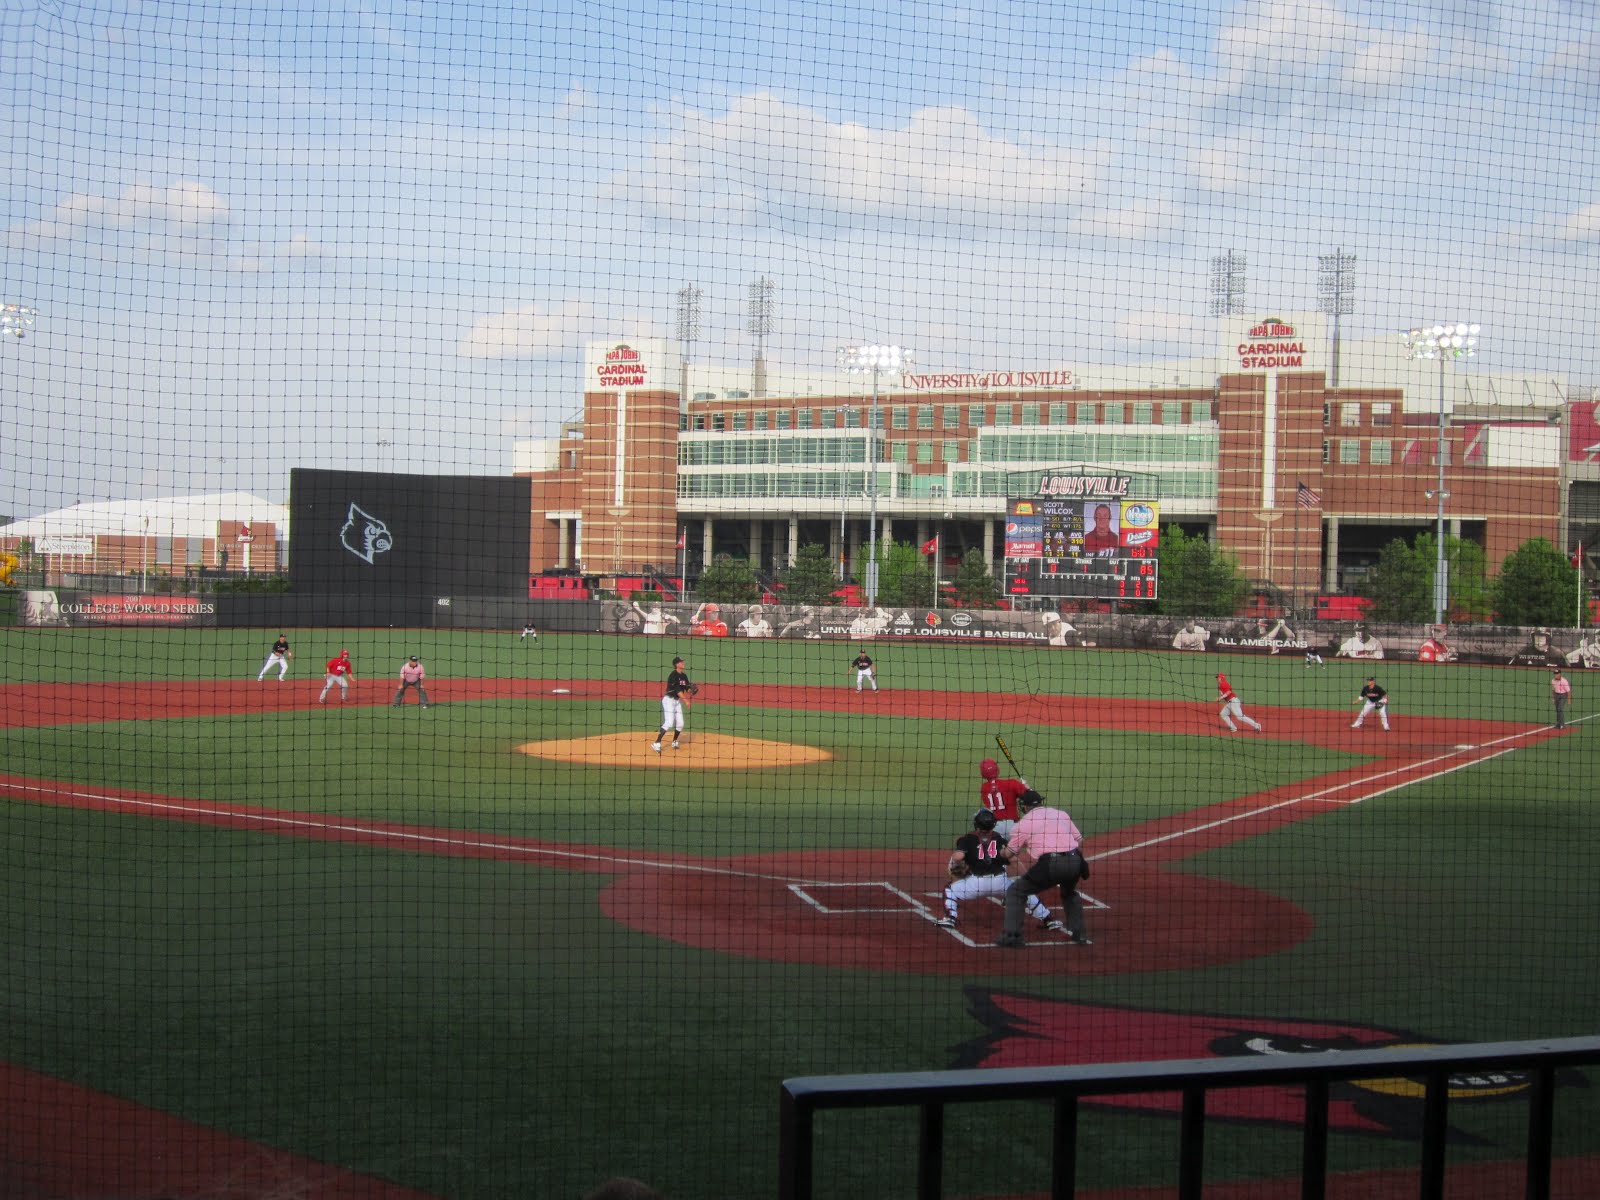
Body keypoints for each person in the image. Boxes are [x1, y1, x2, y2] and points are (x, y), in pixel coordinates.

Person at [936, 809, 1058, 933]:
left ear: (976, 823)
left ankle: (950, 918)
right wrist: (1027, 877)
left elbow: (958, 857)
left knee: (949, 889)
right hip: (1000, 883)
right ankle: (1048, 920)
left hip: (975, 884)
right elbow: (1014, 859)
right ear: (993, 824)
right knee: (1024, 891)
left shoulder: (968, 838)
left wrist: (957, 865)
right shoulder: (999, 838)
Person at [997, 790, 1090, 948]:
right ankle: (1079, 934)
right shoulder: (1060, 814)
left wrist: (1001, 852)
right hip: (1075, 861)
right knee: (1069, 893)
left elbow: (1010, 853)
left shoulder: (1024, 823)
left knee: (1016, 891)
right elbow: (1079, 841)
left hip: (1051, 864)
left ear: (1024, 807)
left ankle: (1013, 937)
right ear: (1040, 802)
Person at [651, 656, 694, 752]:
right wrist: (686, 700)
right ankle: (656, 743)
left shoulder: (684, 676)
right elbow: (678, 690)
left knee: (680, 724)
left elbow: (687, 688)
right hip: (669, 701)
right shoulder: (673, 675)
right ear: (677, 664)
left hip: (677, 701)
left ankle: (674, 741)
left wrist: (691, 690)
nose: (683, 663)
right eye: (681, 662)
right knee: (669, 722)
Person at [978, 756, 1028, 838]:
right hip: (1013, 827)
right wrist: (1026, 787)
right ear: (997, 770)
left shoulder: (984, 788)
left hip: (995, 828)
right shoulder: (1011, 783)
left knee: (997, 850)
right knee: (1014, 850)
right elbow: (1029, 796)